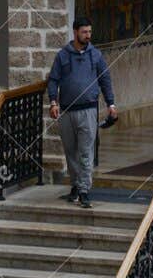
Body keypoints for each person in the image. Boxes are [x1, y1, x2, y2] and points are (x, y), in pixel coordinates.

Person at [47, 16, 117, 209]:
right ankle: (76, 185)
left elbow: (105, 80)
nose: (88, 35)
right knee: (71, 152)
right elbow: (53, 80)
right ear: (75, 32)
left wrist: (111, 104)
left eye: (90, 32)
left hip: (88, 110)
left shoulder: (96, 55)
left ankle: (85, 190)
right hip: (67, 111)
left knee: (86, 152)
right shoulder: (63, 55)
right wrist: (53, 102)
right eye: (84, 32)